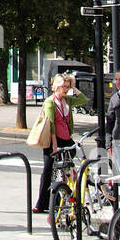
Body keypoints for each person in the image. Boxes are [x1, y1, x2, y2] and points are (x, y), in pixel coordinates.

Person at [33, 74, 79, 212]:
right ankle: (41, 204)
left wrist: (73, 87)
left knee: (65, 172)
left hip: (66, 139)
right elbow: (51, 123)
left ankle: (59, 201)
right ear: (56, 87)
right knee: (48, 171)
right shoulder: (50, 102)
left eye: (67, 86)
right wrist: (54, 144)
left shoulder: (67, 101)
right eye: (63, 87)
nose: (65, 89)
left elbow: (83, 99)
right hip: (52, 140)